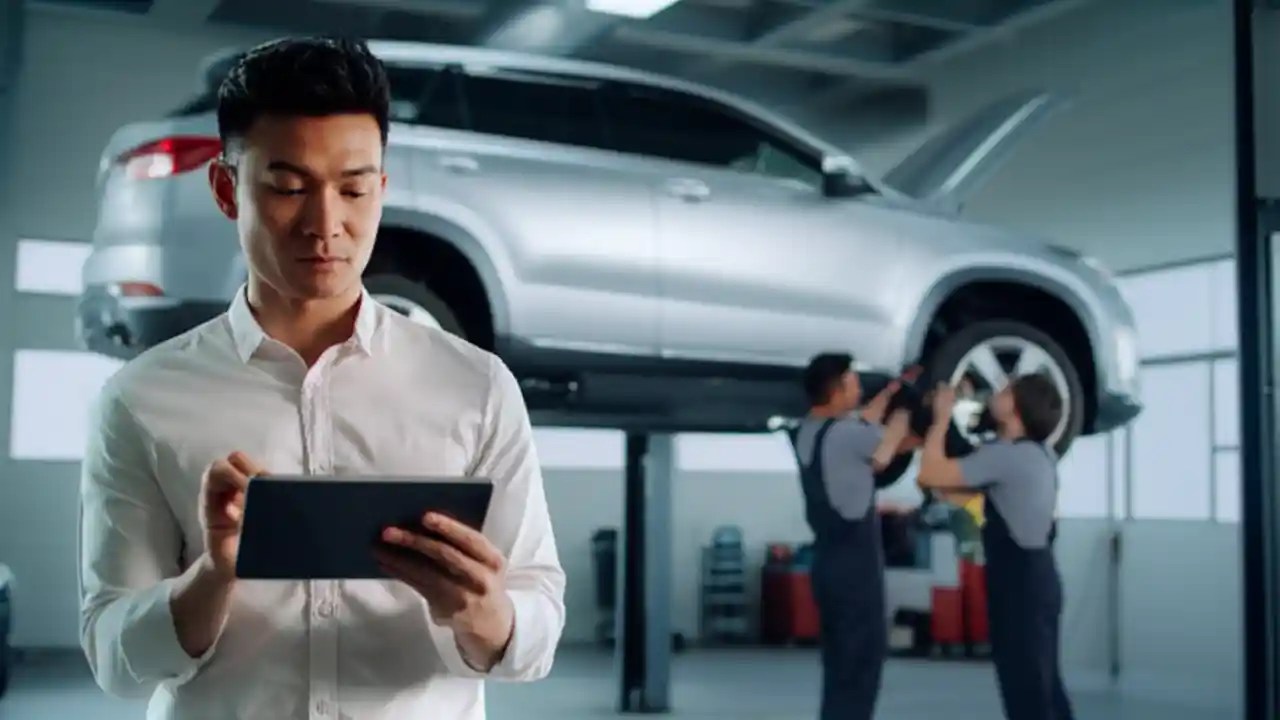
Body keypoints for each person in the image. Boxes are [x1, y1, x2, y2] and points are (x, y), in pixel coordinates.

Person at [77, 37, 565, 720]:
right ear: (226, 189)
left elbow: (537, 621)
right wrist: (214, 577)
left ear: (383, 190)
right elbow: (113, 659)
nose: (325, 224)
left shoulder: (476, 386)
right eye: (288, 187)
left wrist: (485, 613)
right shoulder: (142, 399)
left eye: (354, 188)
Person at [915, 374, 1075, 720]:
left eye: (1005, 391)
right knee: (1043, 690)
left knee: (1027, 696)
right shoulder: (1036, 456)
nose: (997, 393)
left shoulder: (1007, 457)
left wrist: (941, 417)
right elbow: (962, 492)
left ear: (1016, 408)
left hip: (1022, 588)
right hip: (1035, 582)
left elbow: (929, 474)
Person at [787, 352, 917, 720]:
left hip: (827, 565)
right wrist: (906, 411)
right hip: (855, 572)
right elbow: (885, 451)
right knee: (860, 668)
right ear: (838, 388)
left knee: (840, 670)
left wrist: (890, 394)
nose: (860, 386)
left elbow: (861, 425)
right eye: (854, 380)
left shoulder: (809, 429)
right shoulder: (847, 435)